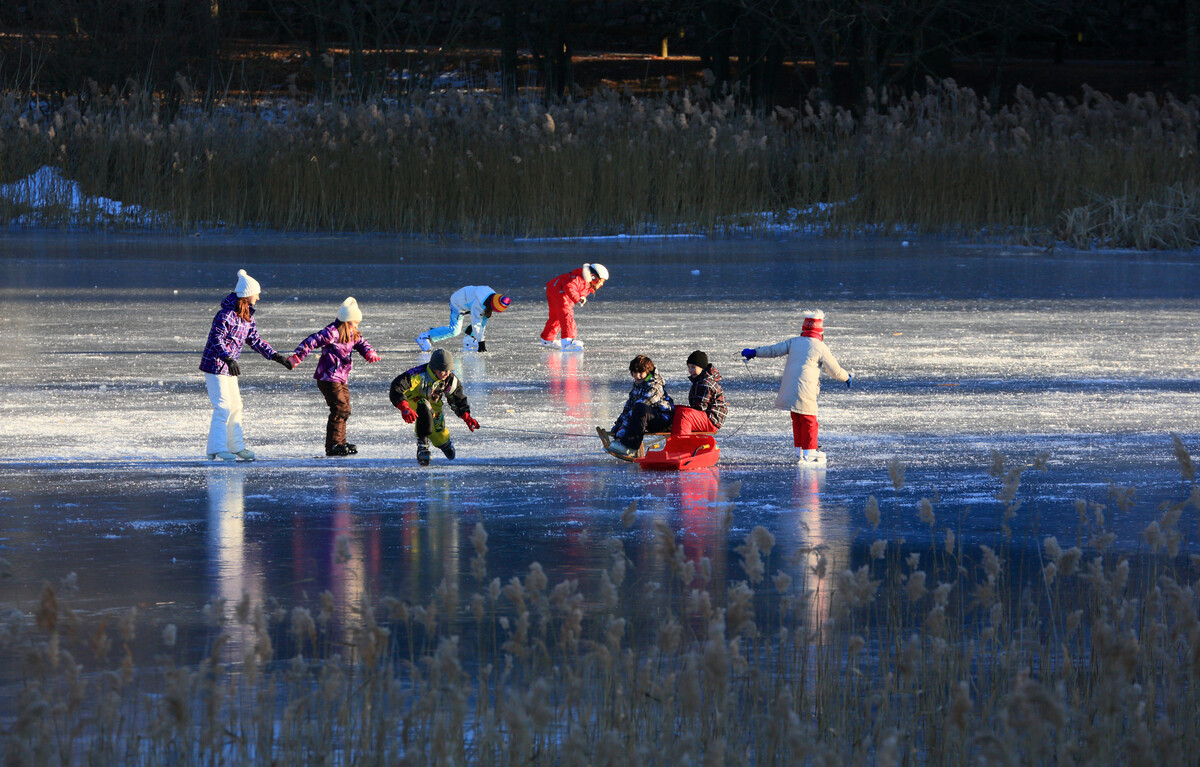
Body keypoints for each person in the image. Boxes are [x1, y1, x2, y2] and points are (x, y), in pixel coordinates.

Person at [199, 269, 292, 461]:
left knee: (236, 406)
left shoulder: (247, 317)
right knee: (223, 406)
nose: (258, 297)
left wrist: (275, 356)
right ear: (247, 294)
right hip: (215, 365)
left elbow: (255, 340)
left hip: (228, 367)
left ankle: (236, 447)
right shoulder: (225, 314)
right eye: (256, 293)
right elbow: (215, 338)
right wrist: (228, 358)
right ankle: (216, 448)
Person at [741, 309, 852, 466]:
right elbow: (834, 371)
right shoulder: (820, 347)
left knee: (798, 419)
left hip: (789, 389)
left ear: (804, 329)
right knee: (809, 420)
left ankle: (800, 451)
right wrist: (847, 377)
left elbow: (773, 350)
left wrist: (754, 352)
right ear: (820, 331)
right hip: (805, 391)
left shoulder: (793, 342)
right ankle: (810, 452)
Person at [286, 297, 381, 457]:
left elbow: (362, 343)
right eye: (355, 322)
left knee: (345, 409)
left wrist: (369, 352)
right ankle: (333, 445)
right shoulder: (332, 332)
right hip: (328, 378)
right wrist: (297, 357)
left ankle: (340, 441)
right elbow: (312, 341)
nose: (357, 326)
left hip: (341, 378)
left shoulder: (352, 333)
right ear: (347, 321)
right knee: (339, 408)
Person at [389, 348, 479, 466]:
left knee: (440, 436)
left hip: (434, 406)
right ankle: (423, 446)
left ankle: (444, 443)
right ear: (433, 367)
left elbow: (458, 399)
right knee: (423, 405)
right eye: (441, 370)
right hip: (412, 402)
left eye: (447, 370)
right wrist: (404, 407)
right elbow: (396, 386)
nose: (444, 373)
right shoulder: (418, 374)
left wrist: (466, 416)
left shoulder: (450, 380)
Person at [605, 355, 675, 458]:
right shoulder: (638, 385)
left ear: (648, 372)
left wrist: (623, 429)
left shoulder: (654, 386)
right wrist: (618, 426)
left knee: (639, 407)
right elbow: (628, 407)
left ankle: (630, 447)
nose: (637, 376)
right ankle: (623, 443)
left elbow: (640, 407)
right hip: (646, 419)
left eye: (641, 373)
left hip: (662, 421)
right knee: (636, 408)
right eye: (634, 373)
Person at [415, 286, 512, 353]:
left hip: (468, 300)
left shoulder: (493, 297)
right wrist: (481, 343)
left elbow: (482, 321)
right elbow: (476, 323)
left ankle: (469, 338)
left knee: (485, 316)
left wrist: (479, 339)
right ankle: (426, 336)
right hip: (458, 303)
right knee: (454, 331)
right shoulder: (478, 304)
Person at [540, 263, 608, 351]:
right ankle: (568, 340)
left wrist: (582, 296)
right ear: (594, 277)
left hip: (554, 289)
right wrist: (578, 298)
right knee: (566, 314)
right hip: (559, 292)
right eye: (601, 281)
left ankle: (547, 339)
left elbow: (582, 289)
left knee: (556, 316)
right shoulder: (579, 278)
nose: (601, 284)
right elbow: (569, 287)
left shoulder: (586, 282)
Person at [670, 350, 728, 436]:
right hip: (705, 416)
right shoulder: (699, 380)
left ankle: (681, 444)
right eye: (689, 367)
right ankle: (669, 433)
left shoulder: (705, 383)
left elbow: (700, 407)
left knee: (684, 414)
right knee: (673, 409)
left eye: (693, 367)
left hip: (711, 420)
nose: (690, 370)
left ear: (702, 367)